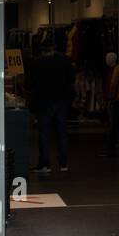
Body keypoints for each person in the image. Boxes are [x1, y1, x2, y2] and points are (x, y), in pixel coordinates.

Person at [30, 43, 74, 175]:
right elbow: (71, 79)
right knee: (62, 133)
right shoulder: (65, 62)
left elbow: (34, 83)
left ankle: (45, 164)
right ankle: (63, 163)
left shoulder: (38, 63)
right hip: (61, 100)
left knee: (44, 133)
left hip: (45, 102)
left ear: (43, 52)